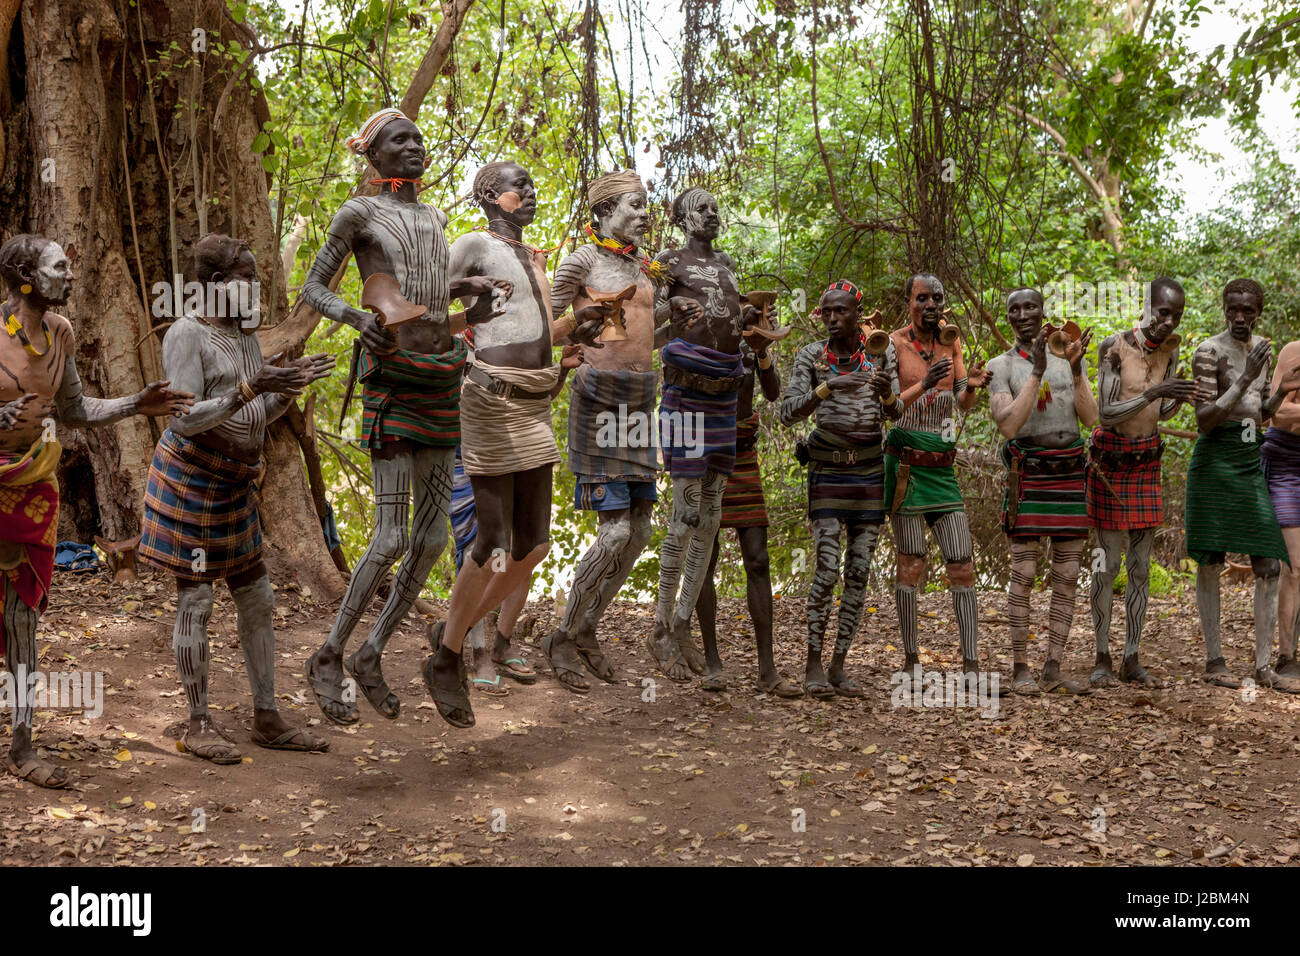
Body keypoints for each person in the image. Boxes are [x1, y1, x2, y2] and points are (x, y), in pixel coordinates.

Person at [299, 108, 506, 725]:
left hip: (440, 380)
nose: (413, 146)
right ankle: (329, 653)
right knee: (390, 537)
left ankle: (371, 651)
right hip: (390, 383)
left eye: (418, 138)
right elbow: (313, 288)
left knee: (435, 537)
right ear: (374, 154)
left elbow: (423, 303)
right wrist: (350, 316)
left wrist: (470, 299)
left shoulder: (434, 217)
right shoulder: (360, 213)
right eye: (399, 139)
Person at [0, 233, 193, 787]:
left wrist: (138, 402)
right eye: (58, 266)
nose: (69, 274)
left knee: (22, 614)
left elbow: (76, 411)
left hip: (30, 488)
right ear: (26, 277)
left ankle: (21, 742)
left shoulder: (60, 332)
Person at [140, 233, 334, 762]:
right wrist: (249, 390)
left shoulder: (245, 337)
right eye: (247, 277)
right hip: (192, 480)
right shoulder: (187, 334)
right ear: (218, 284)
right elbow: (185, 418)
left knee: (259, 599)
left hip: (236, 483)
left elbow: (253, 417)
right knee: (197, 601)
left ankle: (266, 716)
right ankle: (198, 721)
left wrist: (286, 388)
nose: (255, 286)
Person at [541, 170, 676, 693]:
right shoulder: (580, 261)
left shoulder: (643, 266)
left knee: (640, 531)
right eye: (635, 206)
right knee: (614, 530)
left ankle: (585, 628)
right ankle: (562, 634)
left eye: (646, 207)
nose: (644, 215)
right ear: (603, 212)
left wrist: (677, 318)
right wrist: (579, 326)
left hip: (643, 399)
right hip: (598, 400)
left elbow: (644, 337)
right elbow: (541, 329)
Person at [780, 280, 902, 697]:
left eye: (841, 312)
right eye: (827, 312)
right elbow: (787, 413)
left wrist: (887, 396)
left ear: (858, 315)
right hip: (828, 472)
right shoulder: (812, 356)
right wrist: (827, 387)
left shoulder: (880, 354)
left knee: (860, 572)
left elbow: (897, 410)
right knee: (827, 569)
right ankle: (813, 663)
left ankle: (838, 665)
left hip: (869, 473)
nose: (833, 319)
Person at [648, 187, 747, 682]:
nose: (711, 214)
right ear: (683, 217)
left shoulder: (728, 263)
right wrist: (672, 313)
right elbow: (647, 331)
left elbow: (734, 323)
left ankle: (683, 622)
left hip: (725, 398)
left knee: (710, 516)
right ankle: (660, 626)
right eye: (701, 208)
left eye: (715, 207)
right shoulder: (666, 262)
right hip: (685, 396)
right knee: (684, 513)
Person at [1188, 278, 1300, 692]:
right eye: (1233, 309)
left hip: (1250, 459)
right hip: (1215, 461)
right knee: (1211, 559)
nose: (1239, 317)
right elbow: (1204, 419)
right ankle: (1215, 662)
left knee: (1269, 561)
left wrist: (1279, 394)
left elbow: (1261, 415)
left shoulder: (1264, 348)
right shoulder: (1209, 351)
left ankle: (1262, 666)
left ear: (1258, 311)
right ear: (1224, 308)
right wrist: (1245, 376)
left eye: (1248, 310)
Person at [1088, 277, 1199, 687]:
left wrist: (1176, 398)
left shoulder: (1169, 354)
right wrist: (1158, 394)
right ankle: (1101, 656)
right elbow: (1107, 412)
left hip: (1146, 462)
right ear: (1145, 305)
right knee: (1106, 564)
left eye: (1176, 315)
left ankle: (1131, 657)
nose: (1168, 322)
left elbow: (1160, 415)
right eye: (1162, 311)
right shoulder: (1113, 348)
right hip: (1111, 462)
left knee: (1140, 567)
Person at [987, 288, 1096, 694]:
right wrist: (1035, 371)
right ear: (1008, 317)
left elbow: (1090, 417)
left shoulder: (1068, 358)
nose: (1022, 314)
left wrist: (1078, 368)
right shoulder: (1001, 366)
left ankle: (1053, 667)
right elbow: (1008, 425)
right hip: (1028, 473)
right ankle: (1020, 669)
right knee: (1024, 572)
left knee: (1067, 575)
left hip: (1069, 471)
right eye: (1014, 309)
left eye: (1030, 306)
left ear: (1042, 311)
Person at [884, 273, 990, 681]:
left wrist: (974, 386)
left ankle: (971, 664)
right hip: (908, 468)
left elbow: (964, 401)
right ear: (909, 301)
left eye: (936, 298)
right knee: (910, 565)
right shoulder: (893, 344)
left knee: (962, 565)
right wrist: (925, 383)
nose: (930, 306)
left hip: (942, 469)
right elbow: (889, 407)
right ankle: (911, 661)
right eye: (922, 298)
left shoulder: (952, 340)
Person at [1261, 338, 1300, 678]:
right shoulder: (1294, 352)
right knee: (1294, 564)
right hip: (1286, 461)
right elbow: (1277, 411)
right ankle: (1286, 657)